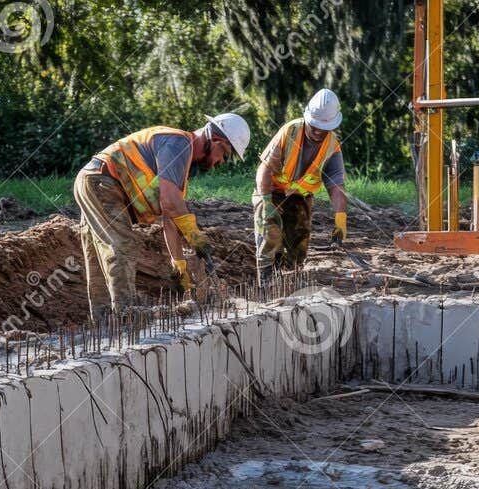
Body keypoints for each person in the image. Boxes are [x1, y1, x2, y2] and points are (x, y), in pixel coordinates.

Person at [73, 113, 250, 321]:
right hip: (104, 181)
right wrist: (195, 236)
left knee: (97, 253)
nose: (221, 162)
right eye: (226, 155)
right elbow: (170, 202)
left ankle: (103, 319)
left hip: (95, 180)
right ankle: (124, 314)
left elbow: (170, 217)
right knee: (122, 245)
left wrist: (179, 264)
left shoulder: (179, 162)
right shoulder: (178, 143)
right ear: (217, 140)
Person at [253, 89, 349, 285]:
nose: (316, 131)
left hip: (299, 197)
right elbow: (265, 169)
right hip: (270, 191)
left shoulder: (332, 147)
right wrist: (266, 200)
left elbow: (336, 187)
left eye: (323, 129)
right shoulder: (290, 131)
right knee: (270, 233)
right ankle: (265, 282)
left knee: (298, 246)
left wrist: (340, 220)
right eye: (314, 126)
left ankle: (288, 277)